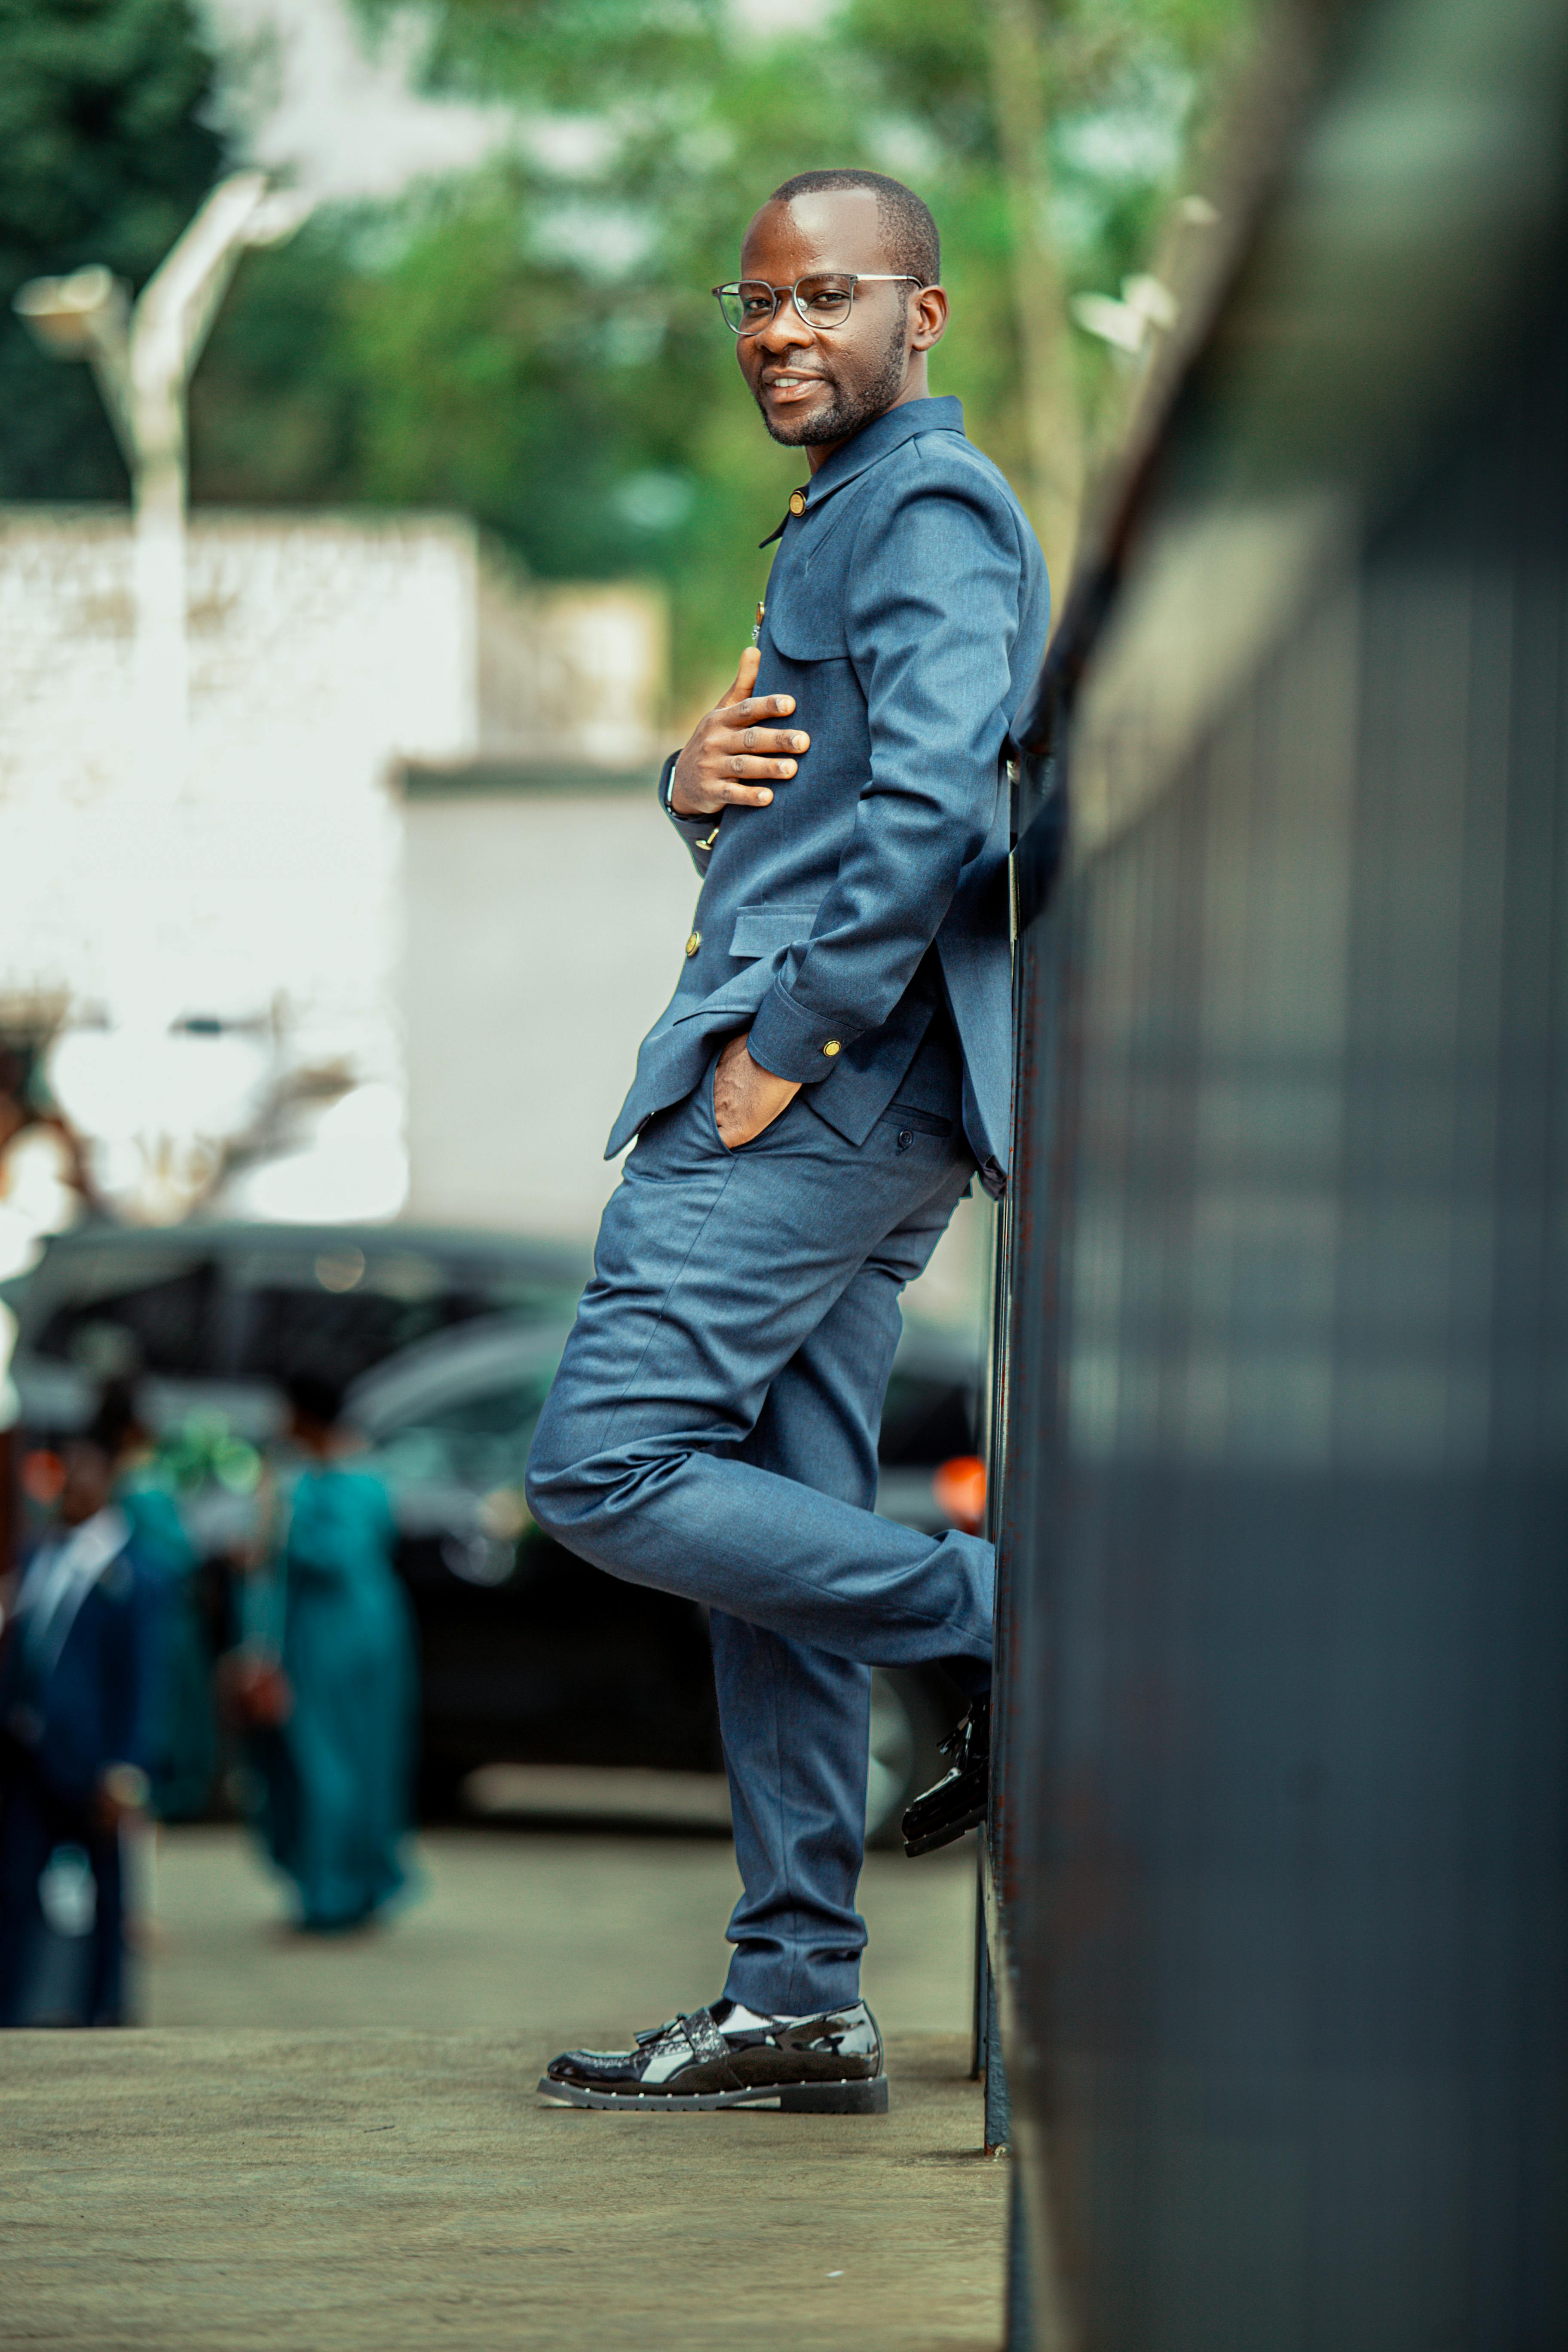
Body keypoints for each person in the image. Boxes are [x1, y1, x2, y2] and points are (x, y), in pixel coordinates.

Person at [526, 168, 1049, 2113]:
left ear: (921, 316)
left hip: (810, 1095)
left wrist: (783, 1042)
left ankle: (1007, 1616)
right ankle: (799, 1990)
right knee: (777, 1537)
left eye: (825, 297)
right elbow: (831, 800)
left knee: (602, 1459)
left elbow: (931, 800)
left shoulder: (920, 503)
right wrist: (688, 786)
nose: (778, 333)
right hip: (844, 1092)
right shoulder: (845, 516)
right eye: (754, 305)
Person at [240, 1369, 414, 1933]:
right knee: (363, 1757)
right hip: (370, 1629)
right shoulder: (363, 1475)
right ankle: (357, 1882)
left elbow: (337, 1554)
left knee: (325, 1758)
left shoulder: (326, 1484)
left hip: (330, 1634)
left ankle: (332, 1892)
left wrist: (278, 1530)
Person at [0, 1430, 161, 2025]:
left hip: (94, 1761)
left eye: (83, 1475)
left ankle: (105, 2009)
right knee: (16, 1886)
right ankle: (14, 2008)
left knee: (105, 1895)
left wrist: (127, 1763)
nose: (70, 1488)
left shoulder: (133, 1577)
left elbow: (144, 1680)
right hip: (30, 1754)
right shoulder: (42, 1555)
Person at [93, 1381, 216, 1823]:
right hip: (163, 1613)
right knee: (169, 1705)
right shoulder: (144, 1484)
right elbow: (179, 1553)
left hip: (132, 1609)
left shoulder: (112, 1481)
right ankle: (169, 1794)